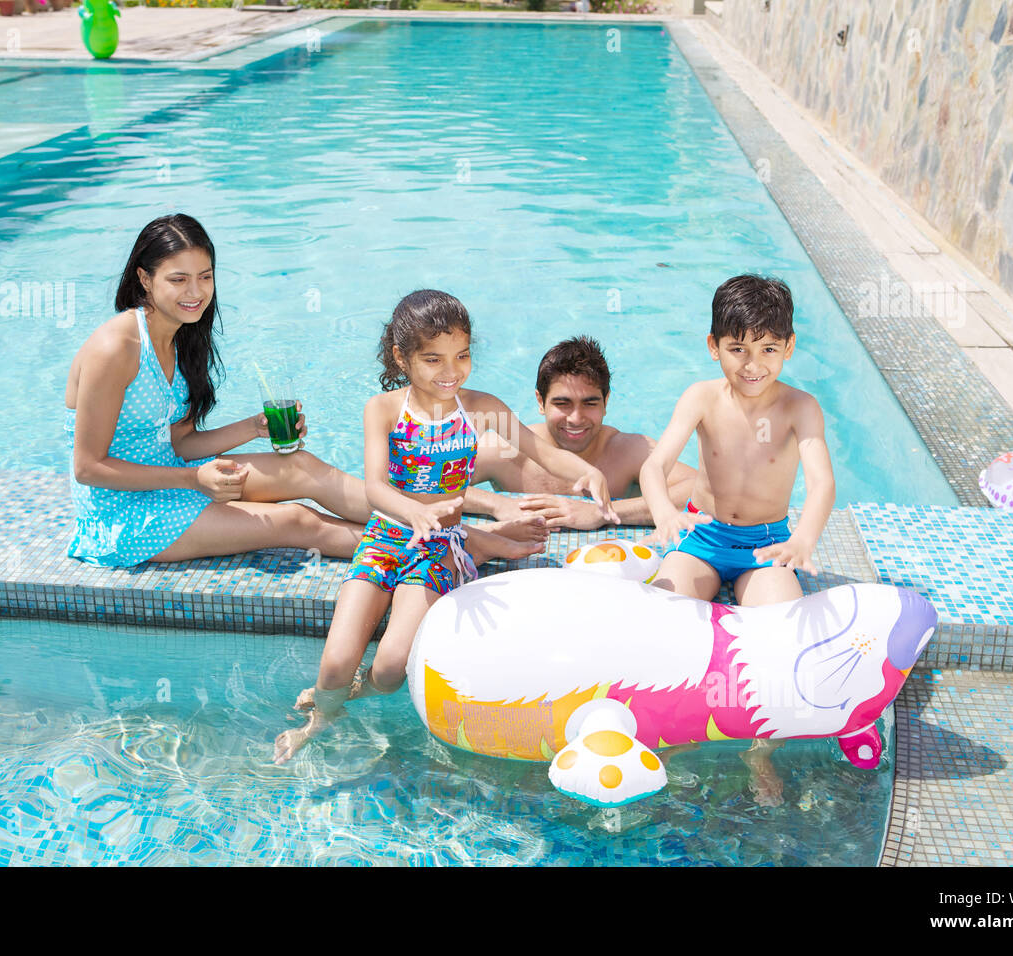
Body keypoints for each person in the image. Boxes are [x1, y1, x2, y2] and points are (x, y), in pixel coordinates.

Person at [274, 290, 618, 763]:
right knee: (334, 663)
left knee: (393, 669)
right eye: (433, 359)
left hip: (439, 546)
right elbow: (375, 487)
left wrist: (587, 473)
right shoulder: (384, 409)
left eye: (462, 356)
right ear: (402, 357)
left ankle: (352, 695)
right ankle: (321, 718)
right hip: (384, 540)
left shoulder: (480, 408)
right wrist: (410, 510)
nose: (450, 371)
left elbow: (543, 452)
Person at [64, 213, 374, 568]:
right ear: (145, 279)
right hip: (122, 513)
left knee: (301, 466)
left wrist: (253, 428)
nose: (195, 292)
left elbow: (180, 443)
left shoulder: (182, 336)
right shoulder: (116, 347)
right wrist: (192, 478)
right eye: (178, 279)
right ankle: (423, 551)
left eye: (205, 277)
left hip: (172, 472)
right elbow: (87, 467)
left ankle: (422, 518)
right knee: (296, 520)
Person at [639, 274, 836, 807]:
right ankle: (672, 731)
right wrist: (664, 512)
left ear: (789, 347)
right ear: (713, 347)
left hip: (766, 544)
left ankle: (759, 751)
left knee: (781, 632)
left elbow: (822, 483)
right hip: (702, 535)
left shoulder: (801, 408)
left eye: (769, 349)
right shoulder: (702, 398)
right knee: (663, 613)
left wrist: (802, 540)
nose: (754, 365)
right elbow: (655, 465)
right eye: (737, 349)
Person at [463, 336, 697, 529]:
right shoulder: (506, 449)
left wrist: (604, 512)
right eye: (562, 403)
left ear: (606, 402)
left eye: (590, 403)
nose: (575, 418)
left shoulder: (631, 451)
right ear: (540, 401)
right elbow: (429, 484)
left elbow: (702, 489)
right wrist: (496, 505)